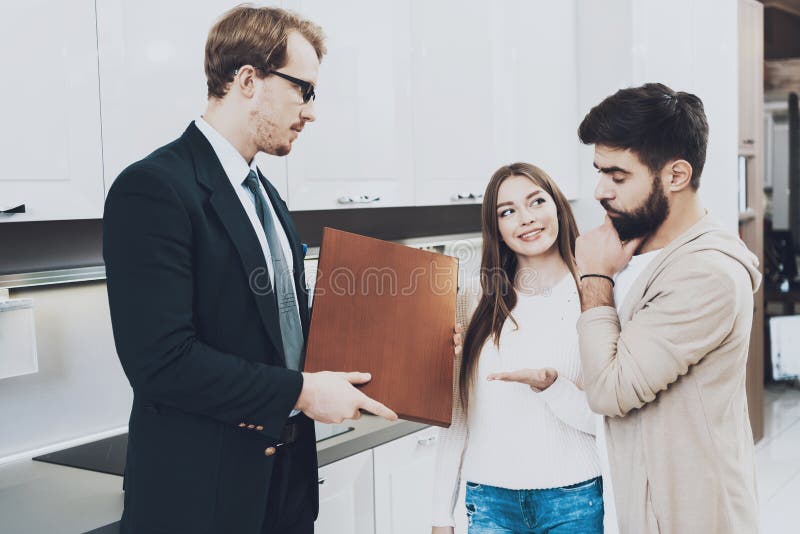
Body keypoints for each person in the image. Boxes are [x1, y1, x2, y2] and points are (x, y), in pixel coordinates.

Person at [103, 6, 397, 534]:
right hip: (201, 498)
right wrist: (301, 392)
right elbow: (161, 362)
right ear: (247, 81)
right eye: (304, 90)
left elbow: (284, 328)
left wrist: (404, 350)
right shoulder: (153, 189)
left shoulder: (267, 196)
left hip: (286, 487)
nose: (311, 112)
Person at [574, 83, 761, 533]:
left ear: (676, 175)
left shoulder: (707, 274)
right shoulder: (626, 250)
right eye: (599, 172)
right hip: (630, 504)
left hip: (690, 517)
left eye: (618, 177)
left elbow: (611, 390)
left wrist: (594, 278)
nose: (600, 190)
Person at [431, 163, 604, 534]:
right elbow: (457, 413)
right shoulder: (473, 299)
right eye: (507, 212)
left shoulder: (596, 293)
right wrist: (440, 516)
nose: (526, 219)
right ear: (496, 228)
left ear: (557, 205)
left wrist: (551, 386)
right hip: (489, 502)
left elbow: (607, 422)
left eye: (536, 202)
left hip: (574, 498)